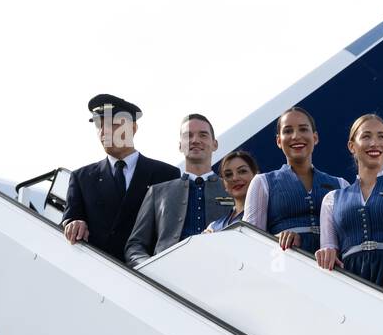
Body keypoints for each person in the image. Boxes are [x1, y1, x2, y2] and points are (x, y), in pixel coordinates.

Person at [62, 94, 179, 263]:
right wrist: (73, 222)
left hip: (152, 277)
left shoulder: (166, 175)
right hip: (99, 273)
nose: (104, 132)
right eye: (99, 126)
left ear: (133, 128)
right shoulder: (81, 178)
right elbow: (70, 217)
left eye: (112, 125)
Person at [316, 114, 383, 287]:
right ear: (352, 146)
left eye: (381, 137)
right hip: (351, 283)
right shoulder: (332, 200)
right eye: (366, 136)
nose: (374, 143)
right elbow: (329, 255)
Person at [125, 114, 231, 266]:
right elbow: (135, 245)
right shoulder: (157, 193)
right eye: (188, 135)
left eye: (203, 135)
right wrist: (151, 269)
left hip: (223, 273)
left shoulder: (234, 190)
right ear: (180, 145)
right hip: (168, 281)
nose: (195, 140)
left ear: (215, 144)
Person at [242, 106, 345, 253]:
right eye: (288, 131)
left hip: (334, 271)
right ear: (279, 141)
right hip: (284, 267)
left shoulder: (340, 184)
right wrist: (277, 239)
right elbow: (250, 239)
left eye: (303, 129)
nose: (296, 136)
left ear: (315, 137)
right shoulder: (263, 182)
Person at [205, 150, 259, 231]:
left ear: (256, 175)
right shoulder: (214, 227)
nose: (235, 178)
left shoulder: (270, 214)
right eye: (228, 174)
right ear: (224, 184)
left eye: (242, 171)